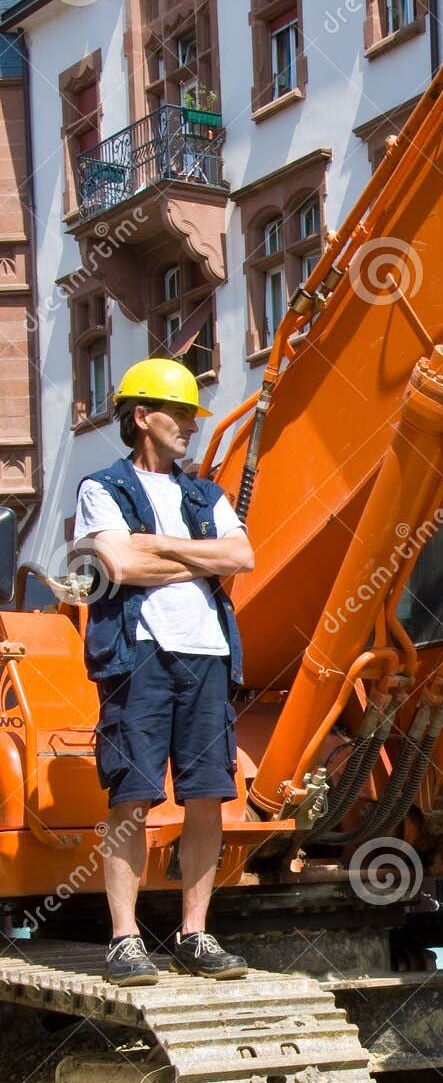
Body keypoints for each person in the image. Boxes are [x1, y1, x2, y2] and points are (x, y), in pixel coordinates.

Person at [71, 358, 254, 985]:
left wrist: (159, 546)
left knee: (208, 798)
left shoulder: (205, 493)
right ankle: (125, 940)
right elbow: (117, 567)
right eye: (180, 415)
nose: (191, 427)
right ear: (143, 417)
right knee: (133, 796)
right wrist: (197, 560)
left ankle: (194, 935)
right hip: (137, 656)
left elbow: (242, 555)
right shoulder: (101, 488)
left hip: (207, 655)